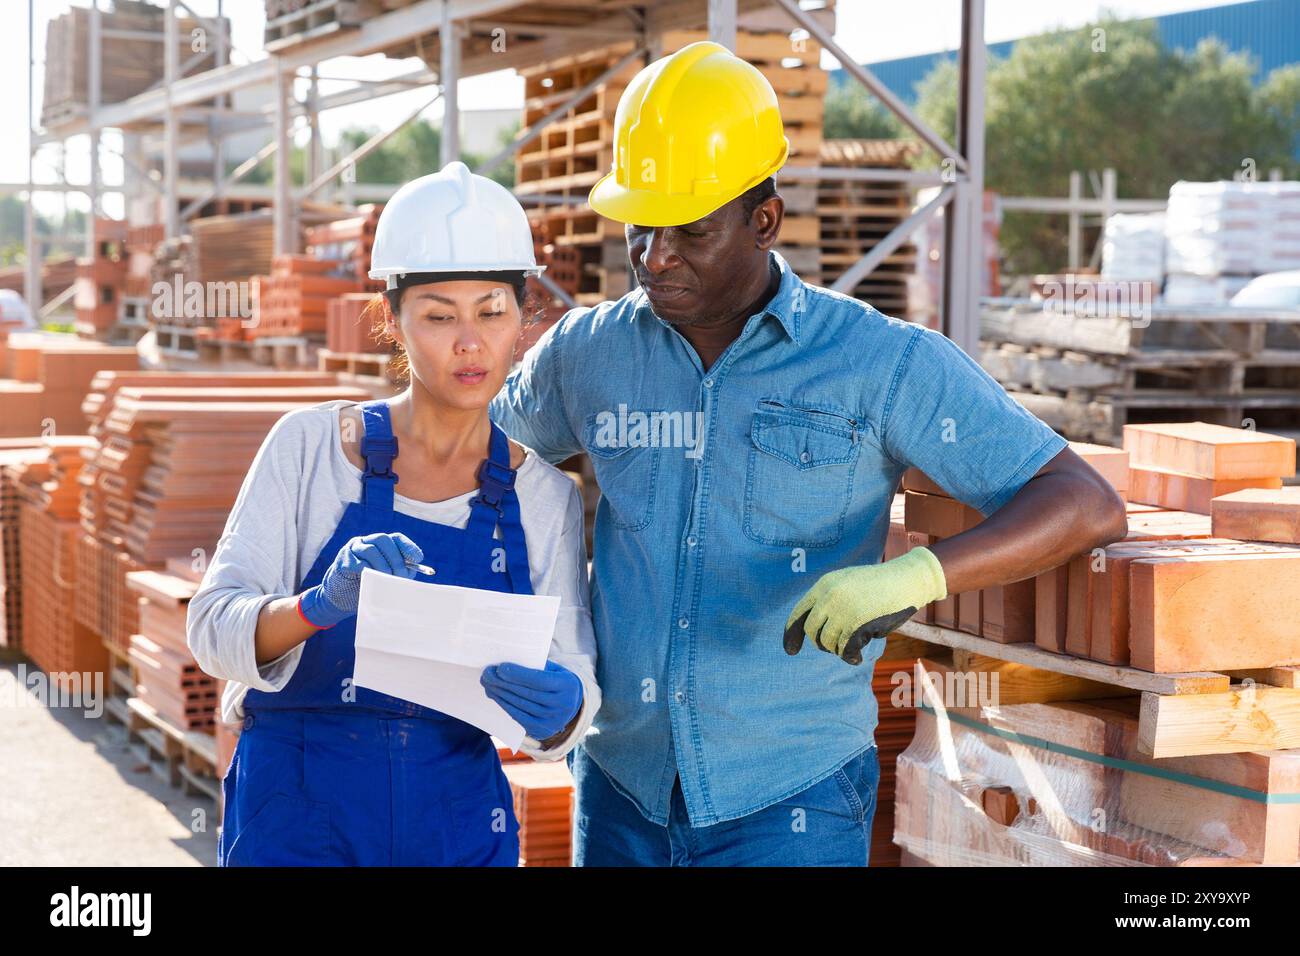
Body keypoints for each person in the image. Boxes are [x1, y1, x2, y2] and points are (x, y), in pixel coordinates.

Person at [490, 41, 1128, 866]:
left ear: (764, 220)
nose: (655, 255)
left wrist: (916, 577)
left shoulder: (880, 362)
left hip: (788, 799)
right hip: (620, 790)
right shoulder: (588, 355)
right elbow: (481, 466)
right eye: (640, 226)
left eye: (690, 230)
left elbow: (1084, 501)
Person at [187, 161, 600, 867]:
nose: (468, 343)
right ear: (393, 317)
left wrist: (564, 709)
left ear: (523, 318)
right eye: (439, 316)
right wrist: (316, 606)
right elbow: (210, 631)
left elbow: (572, 689)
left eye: (491, 312)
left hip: (457, 821)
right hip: (298, 814)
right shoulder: (310, 450)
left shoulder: (543, 498)